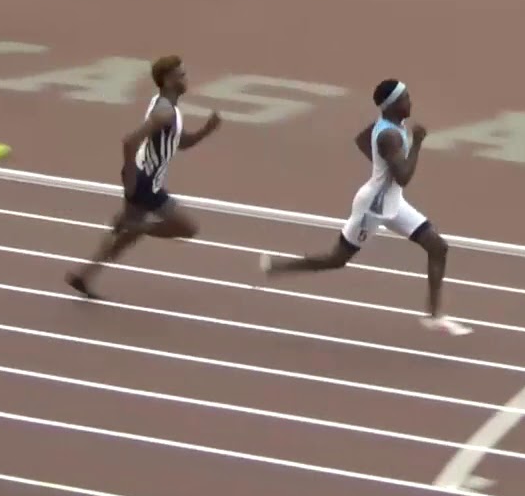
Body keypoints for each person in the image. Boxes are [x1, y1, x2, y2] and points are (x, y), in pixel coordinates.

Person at [258, 79, 471, 336]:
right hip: (373, 207)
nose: (410, 102)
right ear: (392, 104)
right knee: (336, 259)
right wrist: (416, 144)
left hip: (392, 202)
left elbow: (362, 140)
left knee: (438, 246)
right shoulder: (389, 136)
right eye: (405, 98)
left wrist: (381, 167)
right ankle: (278, 267)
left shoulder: (391, 125)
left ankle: (434, 316)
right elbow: (404, 176)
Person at [65, 56, 222, 299]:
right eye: (181, 75)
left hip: (143, 178)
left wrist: (206, 131)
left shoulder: (168, 108)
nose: (185, 78)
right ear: (168, 81)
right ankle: (136, 227)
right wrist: (130, 182)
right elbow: (129, 141)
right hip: (145, 182)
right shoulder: (164, 113)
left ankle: (84, 275)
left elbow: (180, 143)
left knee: (124, 236)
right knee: (187, 228)